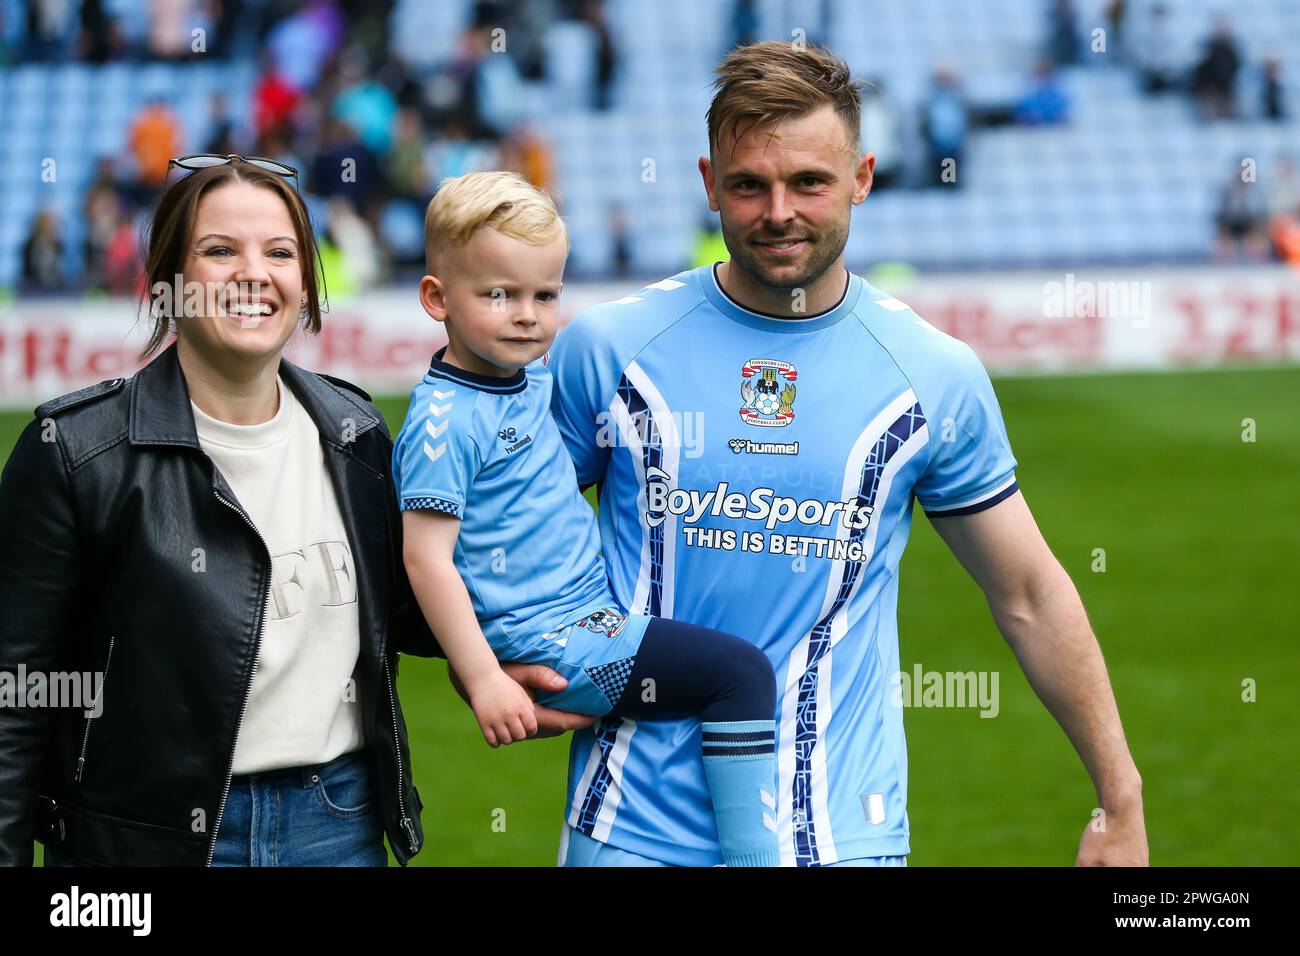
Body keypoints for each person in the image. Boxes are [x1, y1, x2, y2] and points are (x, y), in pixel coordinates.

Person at [539, 41, 1147, 867]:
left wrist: (1121, 797)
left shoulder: (932, 374)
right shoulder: (608, 349)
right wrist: (521, 665)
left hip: (840, 832)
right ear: (709, 181)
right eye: (749, 183)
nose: (778, 210)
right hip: (631, 828)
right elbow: (504, 534)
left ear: (862, 177)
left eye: (810, 183)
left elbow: (1030, 592)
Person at [0, 155, 441, 867]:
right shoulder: (74, 454)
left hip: (339, 826)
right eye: (219, 251)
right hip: (143, 843)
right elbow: (15, 700)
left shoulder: (357, 434)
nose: (253, 274)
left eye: (279, 252)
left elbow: (416, 613)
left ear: (305, 282)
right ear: (169, 283)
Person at [393, 171, 780, 867]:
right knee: (740, 675)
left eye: (545, 295)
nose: (527, 315)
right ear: (435, 298)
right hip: (556, 643)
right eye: (498, 295)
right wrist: (482, 675)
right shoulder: (445, 422)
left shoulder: (526, 377)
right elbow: (425, 559)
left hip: (583, 618)